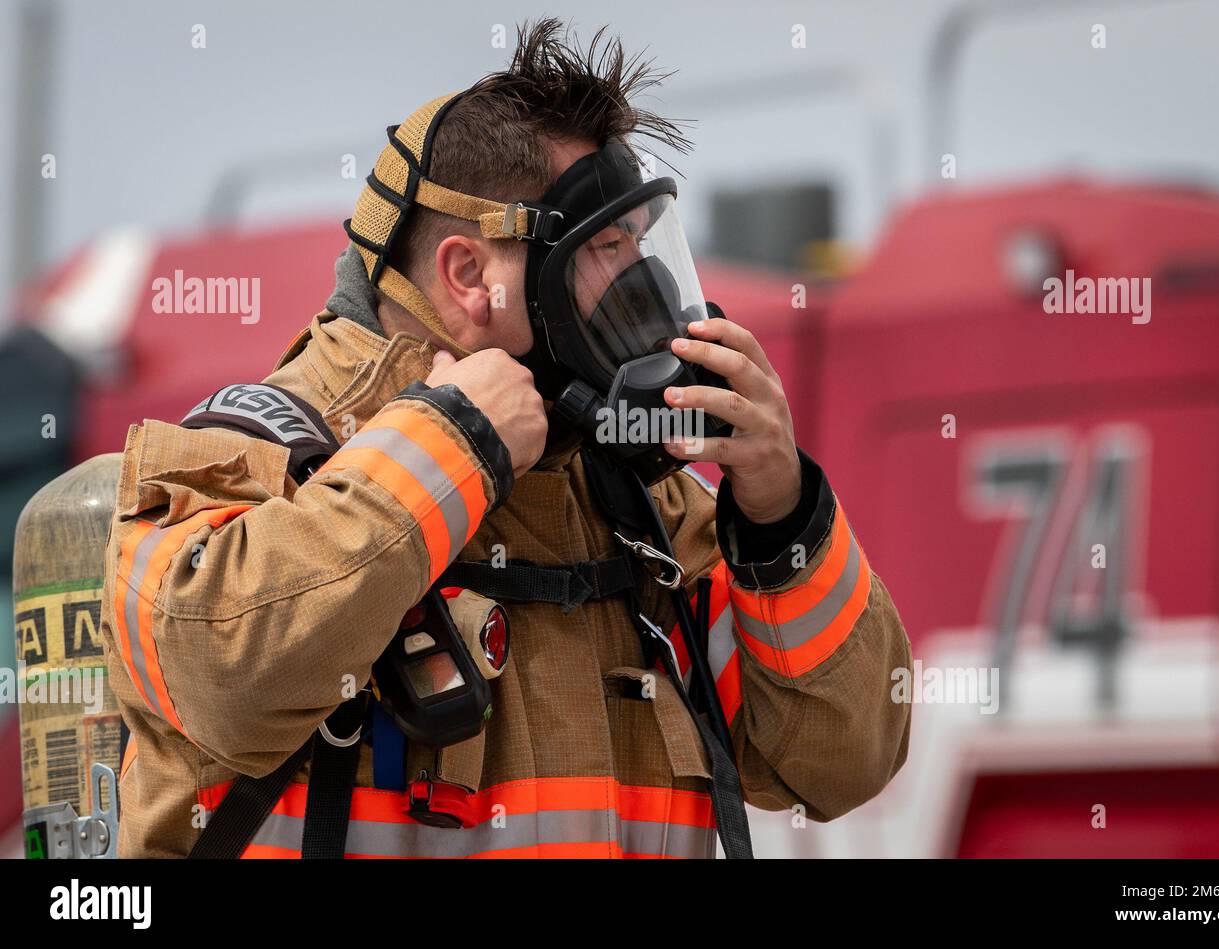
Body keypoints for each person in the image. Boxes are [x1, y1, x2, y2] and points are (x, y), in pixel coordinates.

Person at [103, 19, 912, 859]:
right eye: (606, 246)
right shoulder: (249, 455)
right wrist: (450, 447)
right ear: (468, 275)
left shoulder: (642, 509)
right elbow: (222, 676)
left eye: (643, 243)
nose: (646, 285)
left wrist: (780, 518)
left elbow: (840, 766)